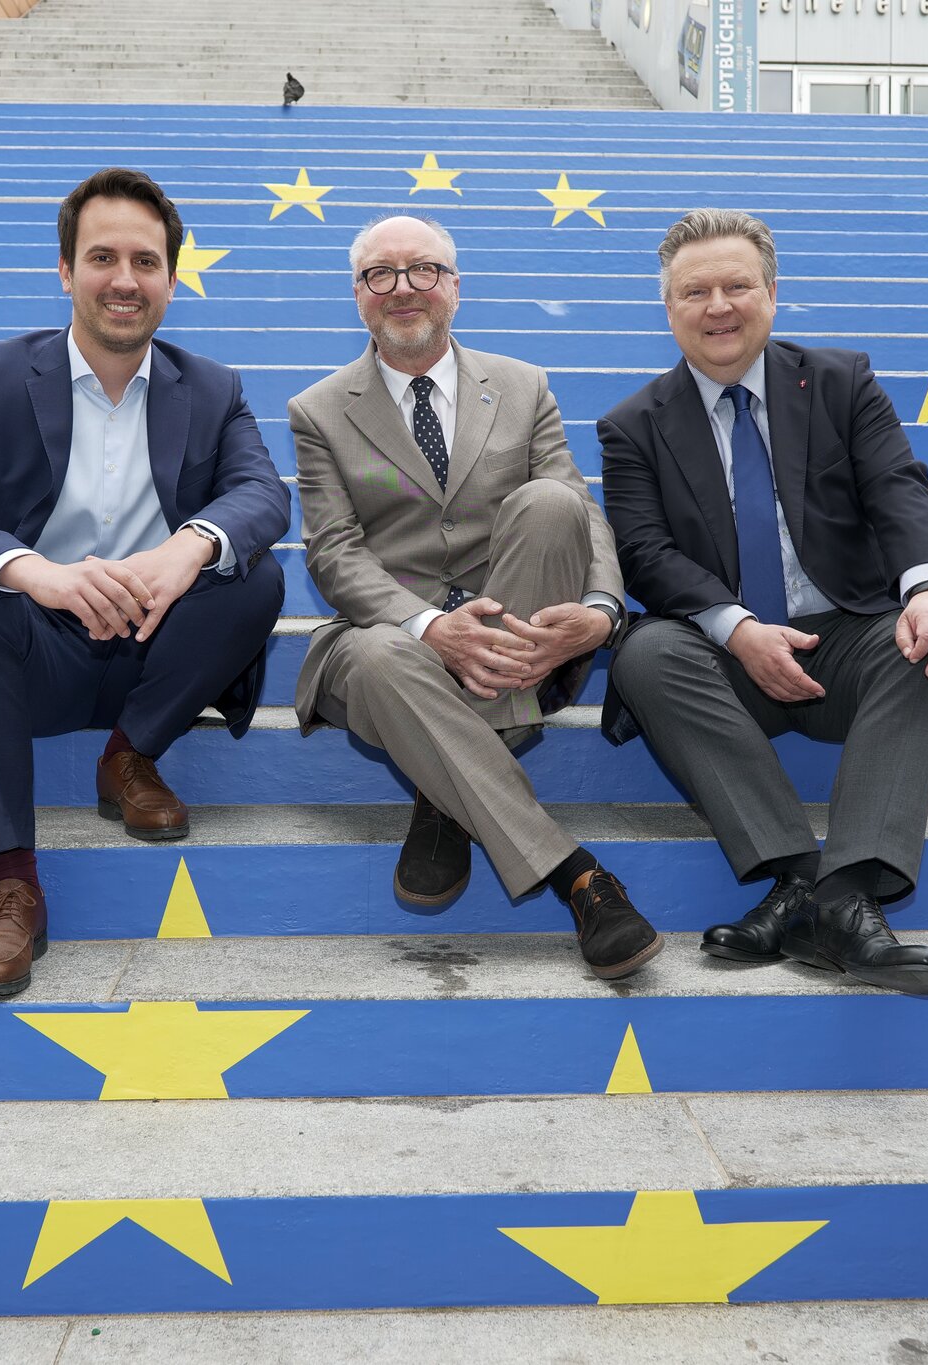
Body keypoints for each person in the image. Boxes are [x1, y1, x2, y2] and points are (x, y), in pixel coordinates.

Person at [0, 168, 290, 999]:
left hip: (161, 650)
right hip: (35, 652)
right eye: (103, 258)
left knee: (253, 574)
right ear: (65, 270)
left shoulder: (215, 388)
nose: (125, 280)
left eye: (146, 262)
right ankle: (12, 886)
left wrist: (187, 547)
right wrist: (38, 574)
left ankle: (129, 756)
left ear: (172, 279)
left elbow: (265, 495)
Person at [598, 209, 928, 999]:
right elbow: (646, 555)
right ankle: (804, 879)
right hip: (723, 664)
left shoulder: (840, 381)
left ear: (772, 293)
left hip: (843, 637)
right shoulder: (632, 425)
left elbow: (897, 488)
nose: (718, 306)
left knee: (927, 643)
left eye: (737, 285)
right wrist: (737, 632)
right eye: (694, 291)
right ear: (668, 309)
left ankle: (844, 894)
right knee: (644, 652)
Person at [288, 213, 661, 983]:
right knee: (386, 654)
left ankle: (443, 789)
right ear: (358, 296)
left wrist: (602, 609)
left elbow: (579, 509)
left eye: (422, 270)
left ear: (454, 287)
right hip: (389, 639)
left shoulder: (524, 385)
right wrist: (428, 627)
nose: (402, 289)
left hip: (514, 625)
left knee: (552, 504)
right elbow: (332, 550)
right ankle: (578, 876)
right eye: (379, 275)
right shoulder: (319, 409)